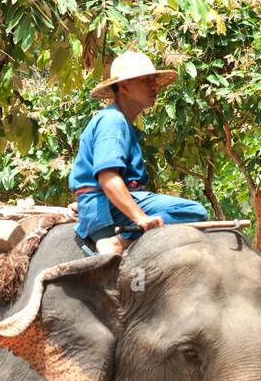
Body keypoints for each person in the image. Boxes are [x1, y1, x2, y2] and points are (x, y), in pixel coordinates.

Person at [68, 50, 210, 255]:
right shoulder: (113, 120)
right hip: (105, 208)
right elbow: (107, 177)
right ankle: (119, 242)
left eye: (154, 80)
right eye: (146, 81)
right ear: (124, 86)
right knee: (193, 211)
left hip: (101, 206)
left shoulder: (121, 122)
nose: (154, 87)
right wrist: (140, 219)